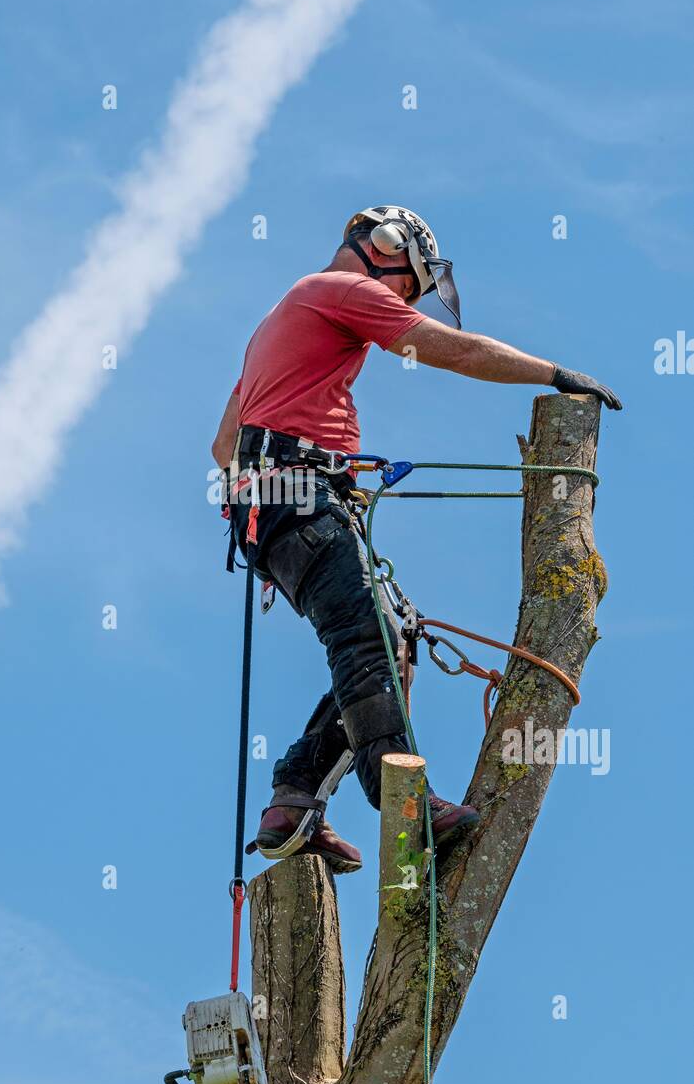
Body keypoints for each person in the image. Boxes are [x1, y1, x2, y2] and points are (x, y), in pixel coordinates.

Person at [212, 206, 621, 873]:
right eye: (412, 281)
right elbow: (448, 349)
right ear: (386, 247)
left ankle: (295, 796)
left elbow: (224, 446)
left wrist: (302, 476)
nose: (405, 297)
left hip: (273, 510)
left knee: (392, 636)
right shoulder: (339, 290)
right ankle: (404, 799)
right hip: (297, 501)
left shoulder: (276, 325)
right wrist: (555, 375)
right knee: (368, 637)